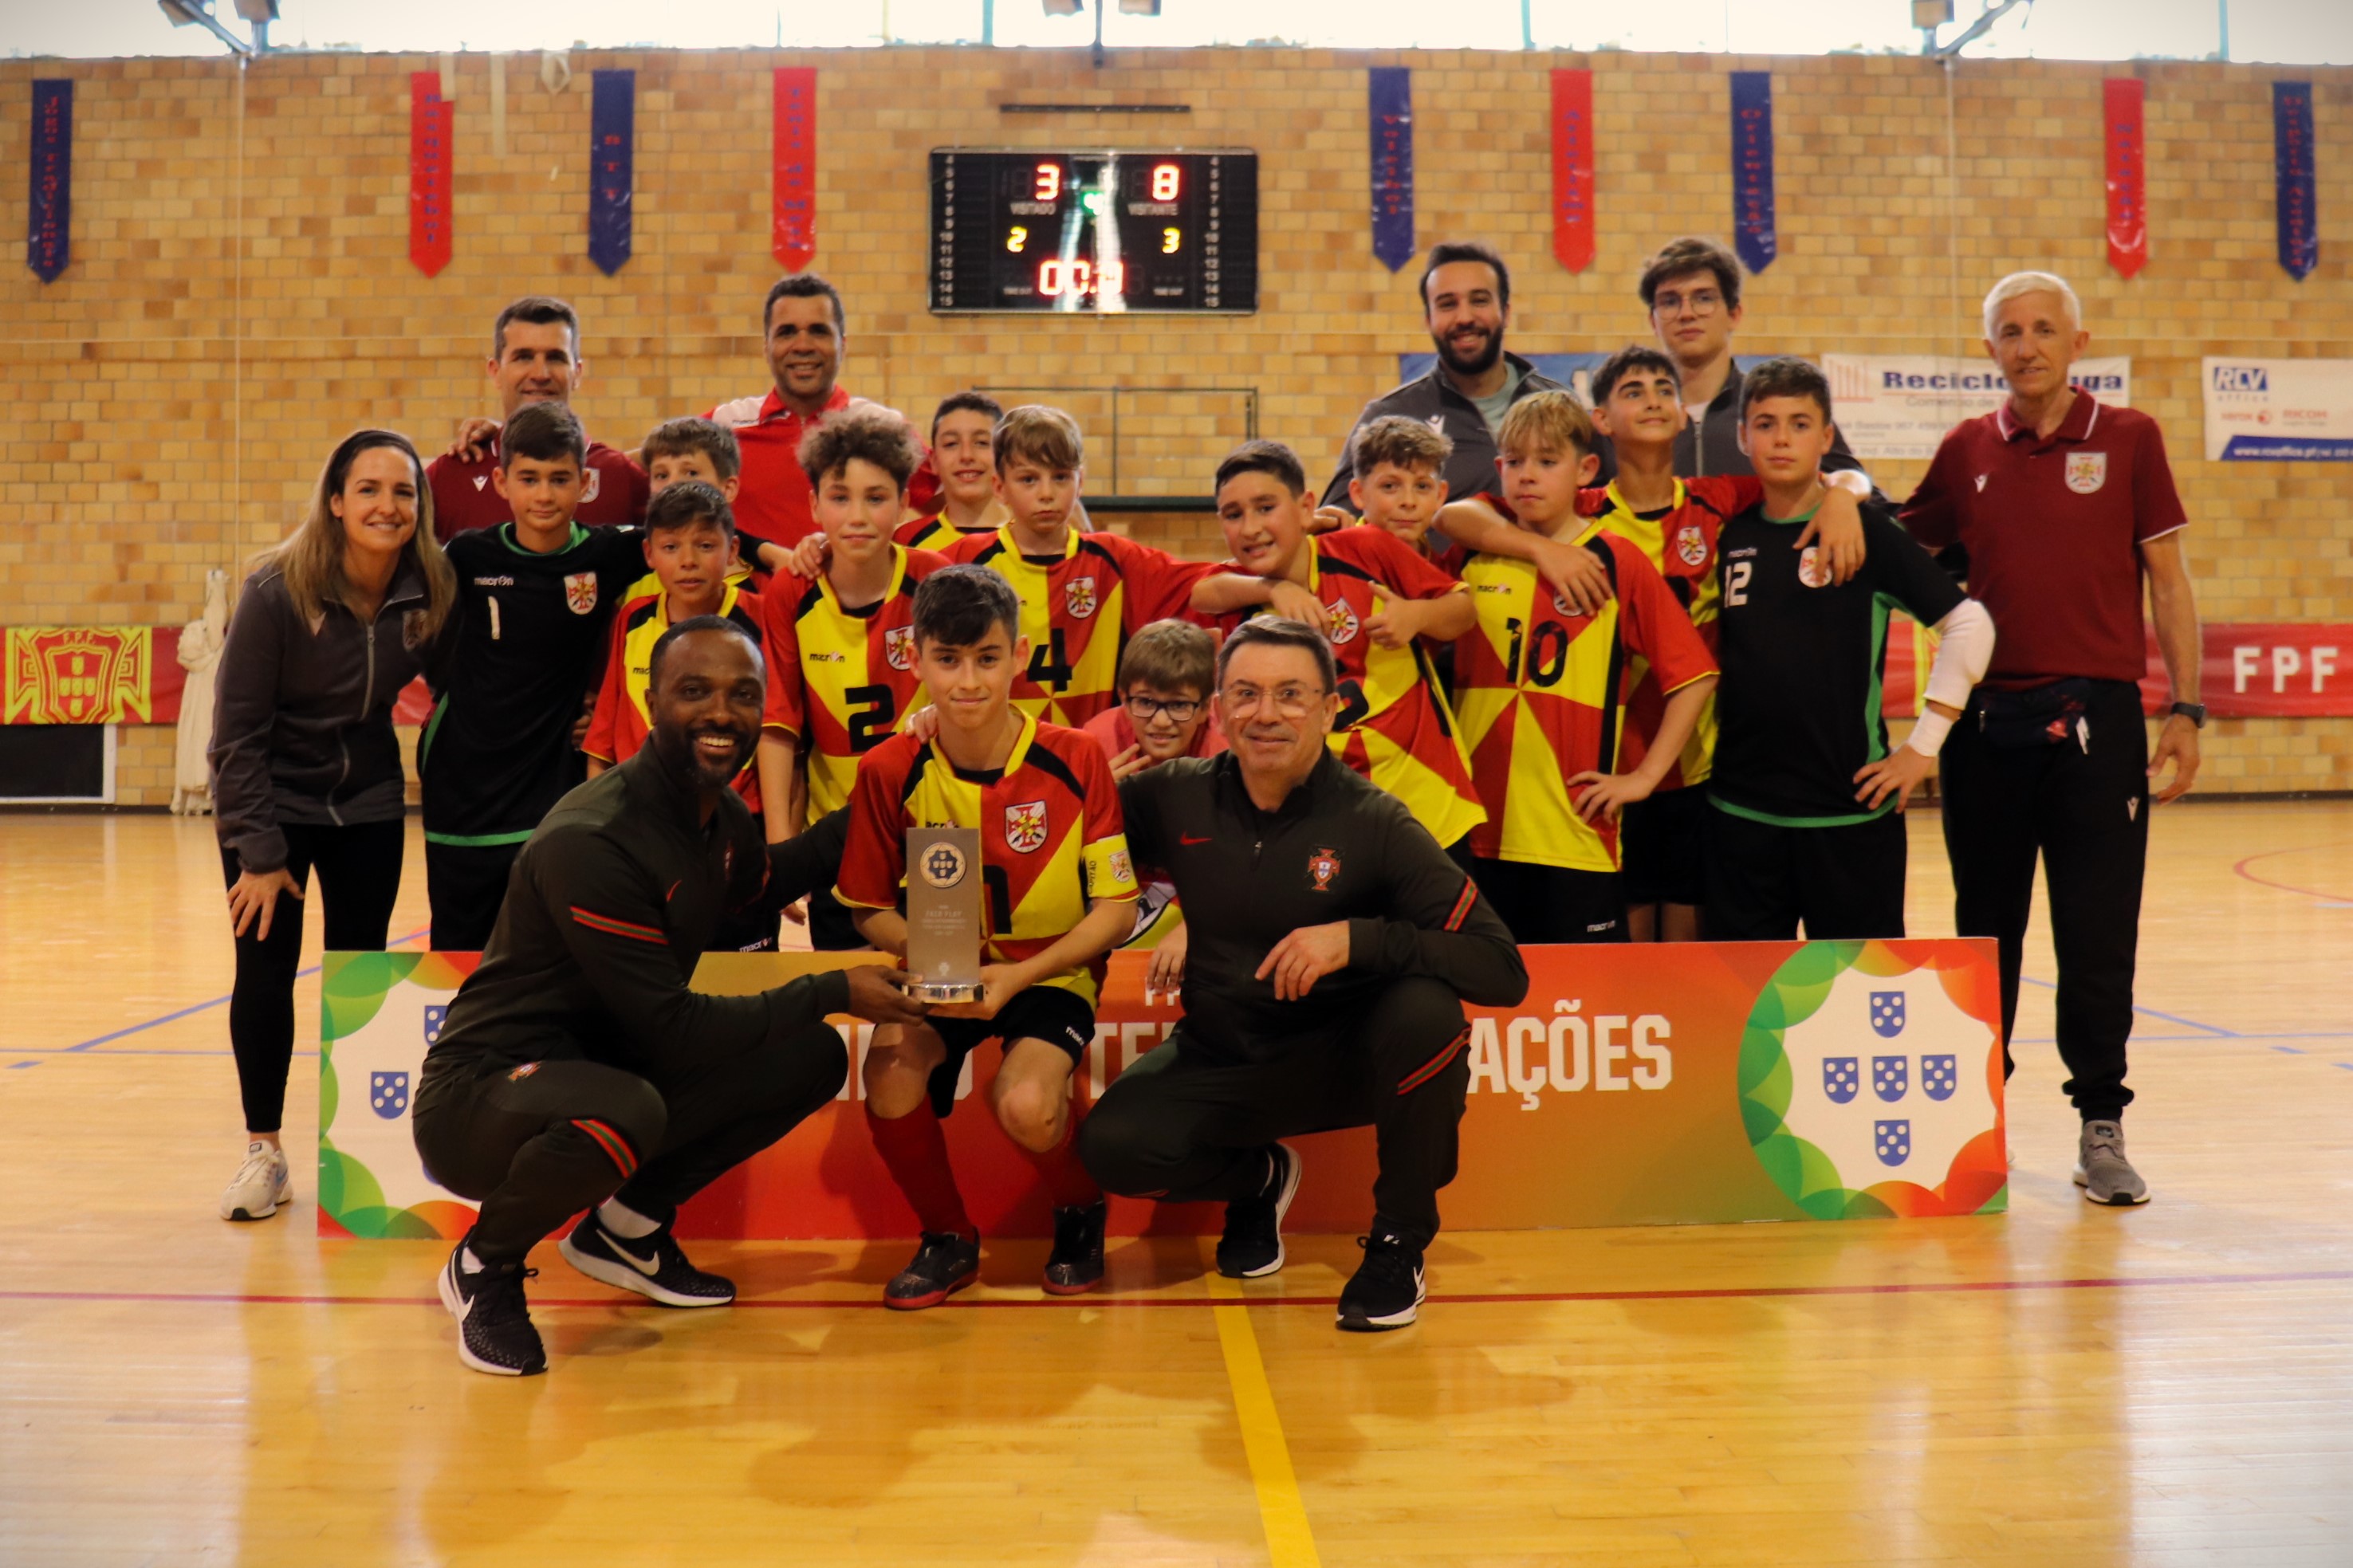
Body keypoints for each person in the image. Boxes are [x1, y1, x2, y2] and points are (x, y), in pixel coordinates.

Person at [412, 616, 928, 1376]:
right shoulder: (595, 839)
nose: (721, 713)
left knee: (808, 1056)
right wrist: (833, 985)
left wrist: (891, 779)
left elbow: (765, 884)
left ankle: (626, 1226)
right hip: (480, 1098)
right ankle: (483, 1265)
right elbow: (676, 1028)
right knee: (629, 1108)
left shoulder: (720, 814)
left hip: (607, 1066)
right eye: (696, 691)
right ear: (649, 698)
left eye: (742, 694)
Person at [1079, 619, 1529, 1332]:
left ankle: (1398, 1244)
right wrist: (938, 734)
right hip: (1226, 1055)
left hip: (1346, 1063)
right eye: (1247, 693)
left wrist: (1357, 938)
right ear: (1218, 709)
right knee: (1114, 1148)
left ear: (1328, 708)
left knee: (1425, 1010)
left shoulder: (1374, 820)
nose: (1266, 713)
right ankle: (1258, 1178)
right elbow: (1042, 824)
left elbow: (1501, 969)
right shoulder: (1171, 794)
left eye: (1291, 694)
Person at [1902, 270, 2203, 1207]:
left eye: (2041, 329)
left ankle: (2099, 1123)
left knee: (2095, 930)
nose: (2024, 345)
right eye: (2006, 331)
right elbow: (1896, 552)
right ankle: (1977, 1118)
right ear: (1987, 347)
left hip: (2097, 727)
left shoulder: (2129, 438)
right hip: (1985, 731)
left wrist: (2186, 709)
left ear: (2077, 343)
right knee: (1983, 932)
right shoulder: (1963, 451)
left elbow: (2167, 579)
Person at [1439, 348, 1869, 941]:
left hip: (1694, 764)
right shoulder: (1579, 513)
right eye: (1632, 390)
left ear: (1684, 414)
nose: (1649, 400)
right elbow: (1455, 514)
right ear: (1601, 422)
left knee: (1683, 944)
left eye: (1662, 388)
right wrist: (1541, 549)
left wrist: (1845, 493)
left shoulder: (1715, 499)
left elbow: (1822, 476)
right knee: (1624, 936)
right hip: (1602, 768)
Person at [834, 566, 1141, 1307]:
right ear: (915, 658)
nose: (967, 681)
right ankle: (947, 1237)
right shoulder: (888, 769)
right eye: (948, 659)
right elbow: (865, 906)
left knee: (1027, 1105)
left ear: (1021, 655)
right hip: (944, 971)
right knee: (890, 1074)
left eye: (987, 658)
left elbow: (1116, 910)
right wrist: (935, 955)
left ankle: (1078, 1211)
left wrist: (1013, 976)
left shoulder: (1076, 758)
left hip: (1048, 974)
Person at [209, 429, 457, 1223]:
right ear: (337, 500)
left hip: (370, 805)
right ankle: (264, 1152)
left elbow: (469, 679)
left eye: (404, 491)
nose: (388, 505)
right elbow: (235, 733)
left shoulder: (430, 589)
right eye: (371, 489)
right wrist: (257, 849)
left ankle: (353, 1148)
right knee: (265, 971)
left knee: (358, 980)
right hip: (272, 804)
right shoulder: (277, 591)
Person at [1706, 359, 1995, 942]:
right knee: (1742, 1016)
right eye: (1764, 424)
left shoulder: (1864, 532)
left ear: (1827, 437)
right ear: (1742, 436)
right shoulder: (1727, 532)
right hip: (1739, 814)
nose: (1781, 438)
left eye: (1799, 423)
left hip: (1848, 813)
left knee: (1856, 1011)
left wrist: (1921, 748)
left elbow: (1970, 626)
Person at [1452, 392, 1718, 943]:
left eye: (1547, 461)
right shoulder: (1474, 553)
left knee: (1581, 1011)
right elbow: (1443, 513)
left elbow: (1696, 676)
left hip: (1574, 835)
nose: (1528, 476)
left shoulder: (1617, 561)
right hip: (1473, 831)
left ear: (1586, 469)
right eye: (1514, 462)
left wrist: (1643, 778)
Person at [421, 402, 648, 951]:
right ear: (501, 482)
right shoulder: (468, 556)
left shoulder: (607, 552)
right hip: (464, 788)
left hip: (552, 785)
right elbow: (429, 644)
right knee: (460, 956)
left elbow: (698, 528)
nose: (543, 495)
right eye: (528, 479)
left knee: (553, 949)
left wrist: (783, 552)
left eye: (558, 479)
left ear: (583, 482)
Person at [1194, 440, 1486, 855]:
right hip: (1320, 819)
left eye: (1265, 507)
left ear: (1305, 507)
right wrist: (1273, 588)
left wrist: (1415, 617)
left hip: (1426, 803)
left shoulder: (1364, 549)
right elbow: (1200, 592)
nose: (1250, 528)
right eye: (1233, 515)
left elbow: (1463, 610)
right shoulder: (1237, 594)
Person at [755, 407, 950, 949]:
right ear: (814, 504)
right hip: (840, 840)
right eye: (840, 497)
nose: (858, 515)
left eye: (876, 496)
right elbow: (778, 727)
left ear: (905, 502)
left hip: (934, 833)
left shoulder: (933, 579)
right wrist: (782, 853)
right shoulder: (790, 592)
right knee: (852, 1006)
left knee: (938, 992)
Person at [583, 485, 781, 953]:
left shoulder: (764, 617)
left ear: (733, 551)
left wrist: (777, 839)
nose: (688, 561)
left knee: (742, 964)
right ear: (649, 554)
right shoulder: (631, 619)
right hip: (644, 827)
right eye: (672, 547)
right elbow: (603, 739)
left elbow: (779, 733)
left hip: (737, 826)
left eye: (705, 545)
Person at [940, 405, 1216, 728]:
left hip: (1097, 754)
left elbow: (1204, 585)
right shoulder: (962, 564)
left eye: (1060, 478)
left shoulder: (1113, 559)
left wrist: (1271, 585)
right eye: (1029, 479)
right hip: (999, 759)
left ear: (1080, 482)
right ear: (999, 487)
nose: (1046, 494)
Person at [706, 273, 941, 568]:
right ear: (766, 347)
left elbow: (953, 511)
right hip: (748, 612)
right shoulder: (723, 427)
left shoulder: (883, 427)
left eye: (818, 331)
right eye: (787, 332)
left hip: (855, 612)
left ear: (843, 345)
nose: (802, 345)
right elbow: (641, 468)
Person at [1320, 241, 1566, 514]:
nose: (1464, 317)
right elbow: (1336, 529)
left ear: (1506, 312)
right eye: (1447, 304)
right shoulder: (1390, 416)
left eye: (1479, 301)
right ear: (1429, 320)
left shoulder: (1563, 410)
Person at [1636, 236, 1868, 484]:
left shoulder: (1777, 406)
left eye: (1703, 298)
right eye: (1670, 302)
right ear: (1653, 321)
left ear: (1734, 314)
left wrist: (1846, 492)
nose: (1686, 314)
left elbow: (1863, 490)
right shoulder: (1629, 420)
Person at [430, 296, 649, 540]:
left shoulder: (620, 476)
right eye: (524, 357)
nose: (540, 374)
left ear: (577, 373)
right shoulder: (448, 477)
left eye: (555, 358)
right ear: (495, 371)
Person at [1081, 619, 1228, 976]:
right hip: (1113, 888)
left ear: (1208, 705)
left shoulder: (1230, 754)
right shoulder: (1093, 743)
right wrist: (1090, 809)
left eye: (1179, 705)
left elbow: (1258, 864)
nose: (1161, 722)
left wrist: (1196, 928)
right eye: (1146, 702)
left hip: (1203, 896)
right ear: (1123, 697)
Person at [896, 391, 1010, 552]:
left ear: (1004, 456)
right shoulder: (907, 542)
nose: (966, 455)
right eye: (951, 444)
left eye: (982, 443)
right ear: (934, 461)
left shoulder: (1029, 538)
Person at [1344, 416, 1458, 568]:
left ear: (1440, 495)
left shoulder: (1450, 573)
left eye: (1422, 487)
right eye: (1390, 486)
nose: (1409, 502)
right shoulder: (1328, 556)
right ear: (1359, 493)